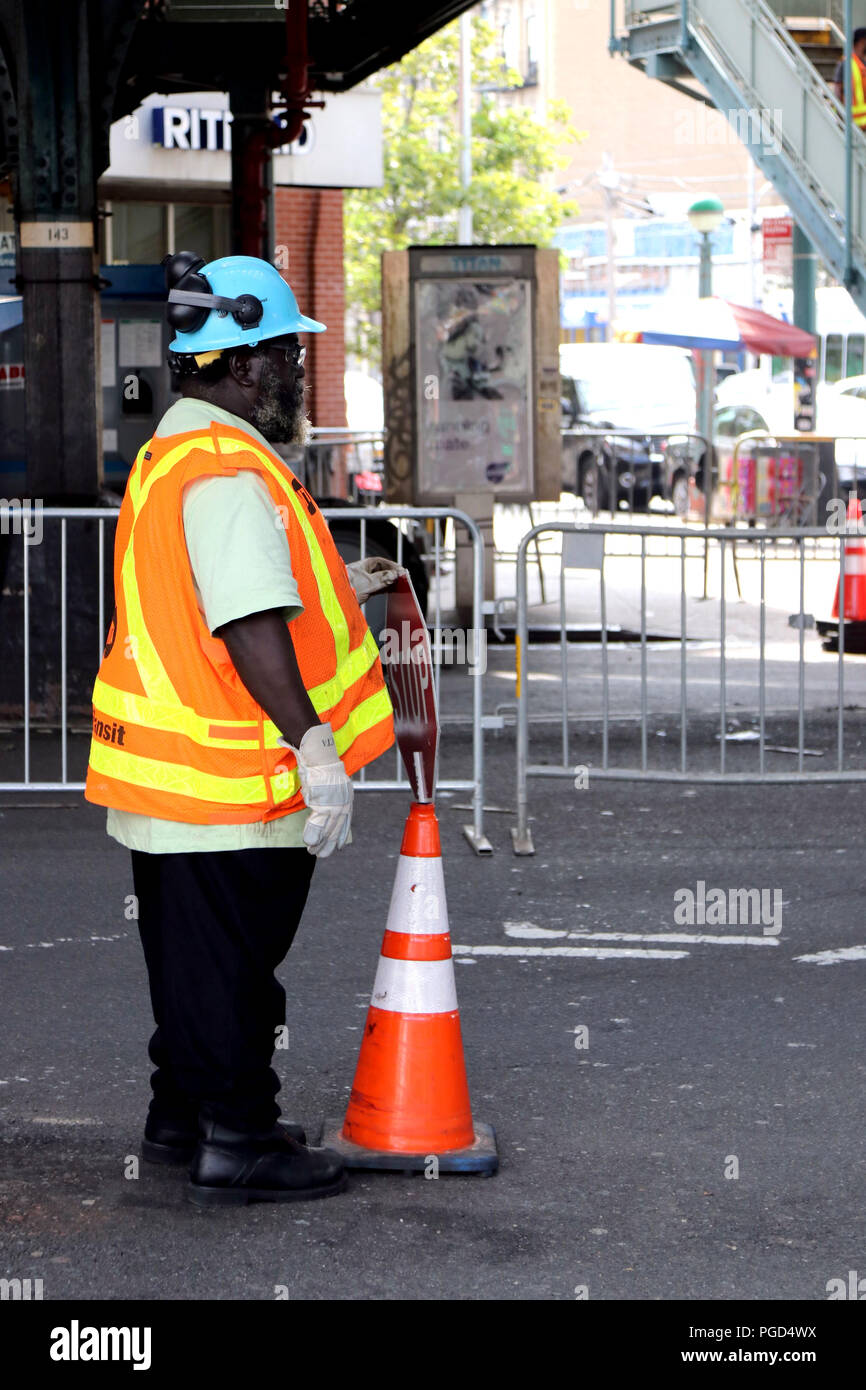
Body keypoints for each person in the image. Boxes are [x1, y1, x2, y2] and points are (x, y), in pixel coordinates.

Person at [85, 250, 401, 1206]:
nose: (299, 376)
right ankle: (240, 1139)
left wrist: (335, 590)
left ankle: (184, 1118)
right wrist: (315, 747)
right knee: (233, 971)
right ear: (246, 361)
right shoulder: (224, 464)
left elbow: (225, 596)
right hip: (228, 782)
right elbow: (247, 621)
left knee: (196, 962)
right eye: (289, 357)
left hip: (179, 781)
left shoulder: (181, 448)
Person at [831, 27, 866, 128]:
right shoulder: (846, 63)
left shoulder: (863, 64)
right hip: (852, 125)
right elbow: (838, 91)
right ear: (861, 42)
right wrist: (840, 119)